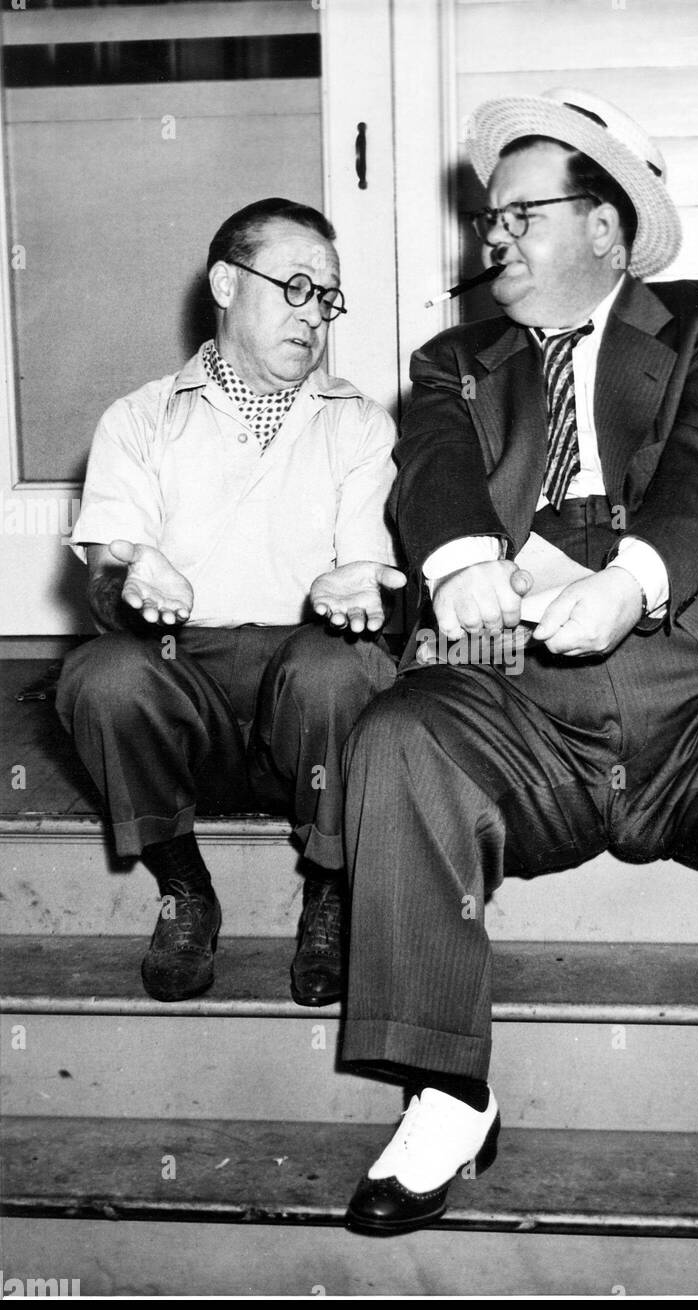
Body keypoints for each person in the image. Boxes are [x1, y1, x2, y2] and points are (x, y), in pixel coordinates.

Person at [338, 92, 698, 1239]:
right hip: (525, 706)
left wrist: (632, 577)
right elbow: (434, 467)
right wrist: (457, 568)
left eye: (518, 213)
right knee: (397, 735)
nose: (487, 236)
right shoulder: (455, 357)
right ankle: (447, 1089)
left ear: (605, 225)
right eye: (483, 217)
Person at [57, 198, 404, 1008]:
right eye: (293, 285)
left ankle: (328, 890)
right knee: (102, 677)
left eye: (327, 295)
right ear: (223, 282)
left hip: (306, 705)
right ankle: (185, 891)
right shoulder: (141, 419)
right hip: (188, 695)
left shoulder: (356, 424)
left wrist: (363, 592)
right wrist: (131, 581)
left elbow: (365, 572)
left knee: (339, 668)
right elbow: (109, 570)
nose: (313, 314)